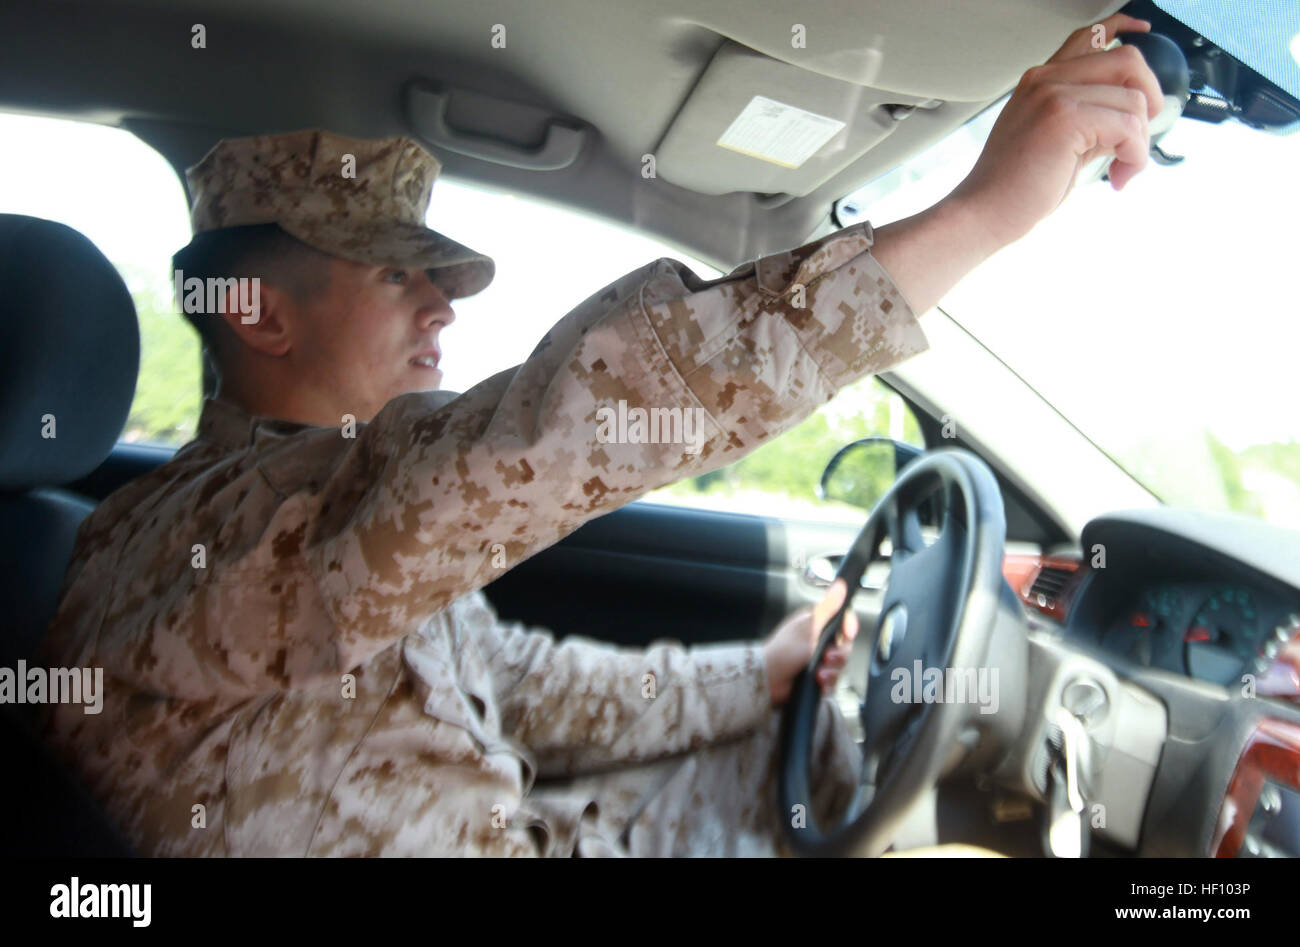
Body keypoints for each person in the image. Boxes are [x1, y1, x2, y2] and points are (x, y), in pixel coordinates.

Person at [40, 14, 1162, 856]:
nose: (441, 307)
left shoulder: (326, 519)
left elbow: (517, 685)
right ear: (256, 312)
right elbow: (533, 440)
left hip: (531, 830)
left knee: (837, 766)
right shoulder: (182, 538)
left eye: (434, 278)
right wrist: (974, 217)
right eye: (393, 275)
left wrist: (762, 673)